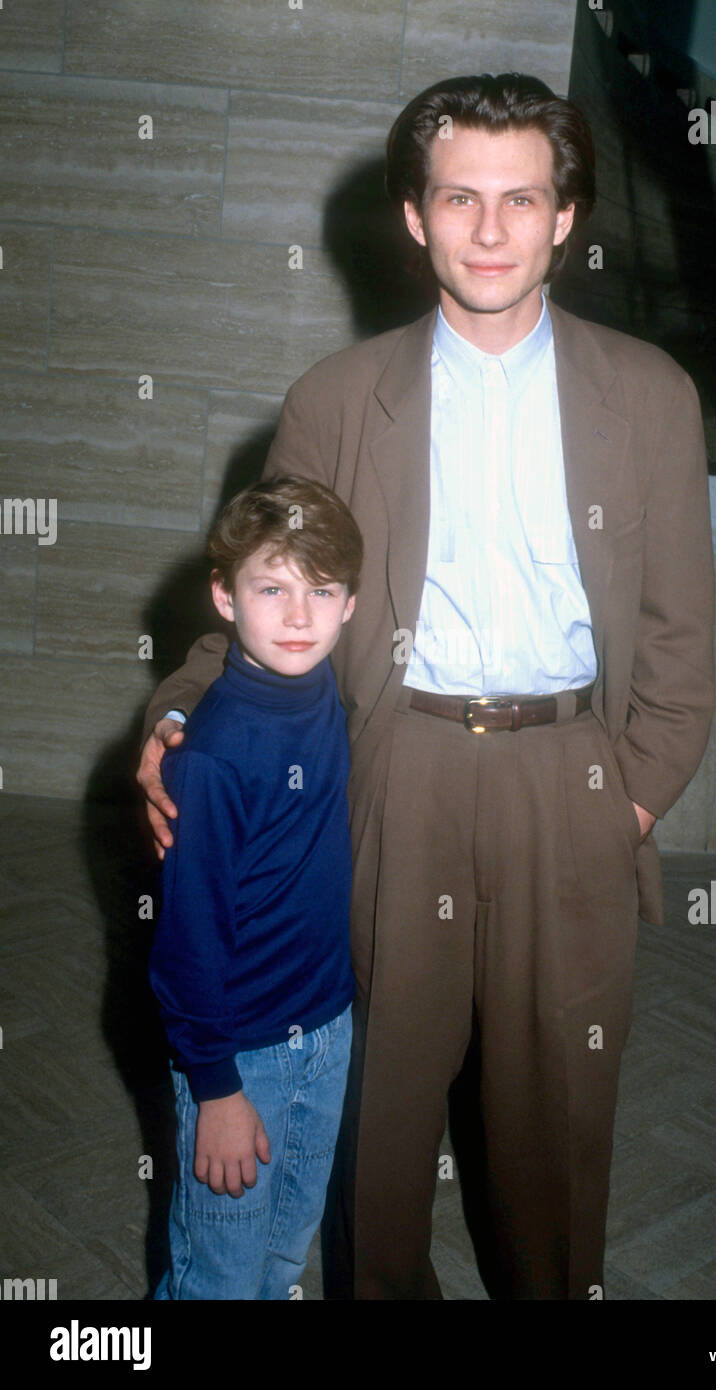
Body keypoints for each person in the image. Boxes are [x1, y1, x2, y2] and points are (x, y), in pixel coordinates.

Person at [138, 73, 715, 1300]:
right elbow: (259, 601)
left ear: (567, 217)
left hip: (575, 776)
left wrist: (626, 806)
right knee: (376, 1132)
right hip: (391, 775)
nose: (492, 229)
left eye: (523, 199)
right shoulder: (338, 402)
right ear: (415, 215)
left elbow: (679, 642)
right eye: (462, 197)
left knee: (555, 1125)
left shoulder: (651, 397)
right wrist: (181, 714)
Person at [148, 475, 362, 1299]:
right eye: (272, 588)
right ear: (224, 597)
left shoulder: (328, 701)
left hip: (328, 1031)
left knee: (281, 1262)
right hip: (243, 1055)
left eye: (322, 590)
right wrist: (216, 1087)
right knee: (219, 1280)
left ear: (350, 605)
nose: (300, 616)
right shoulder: (212, 754)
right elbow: (186, 943)